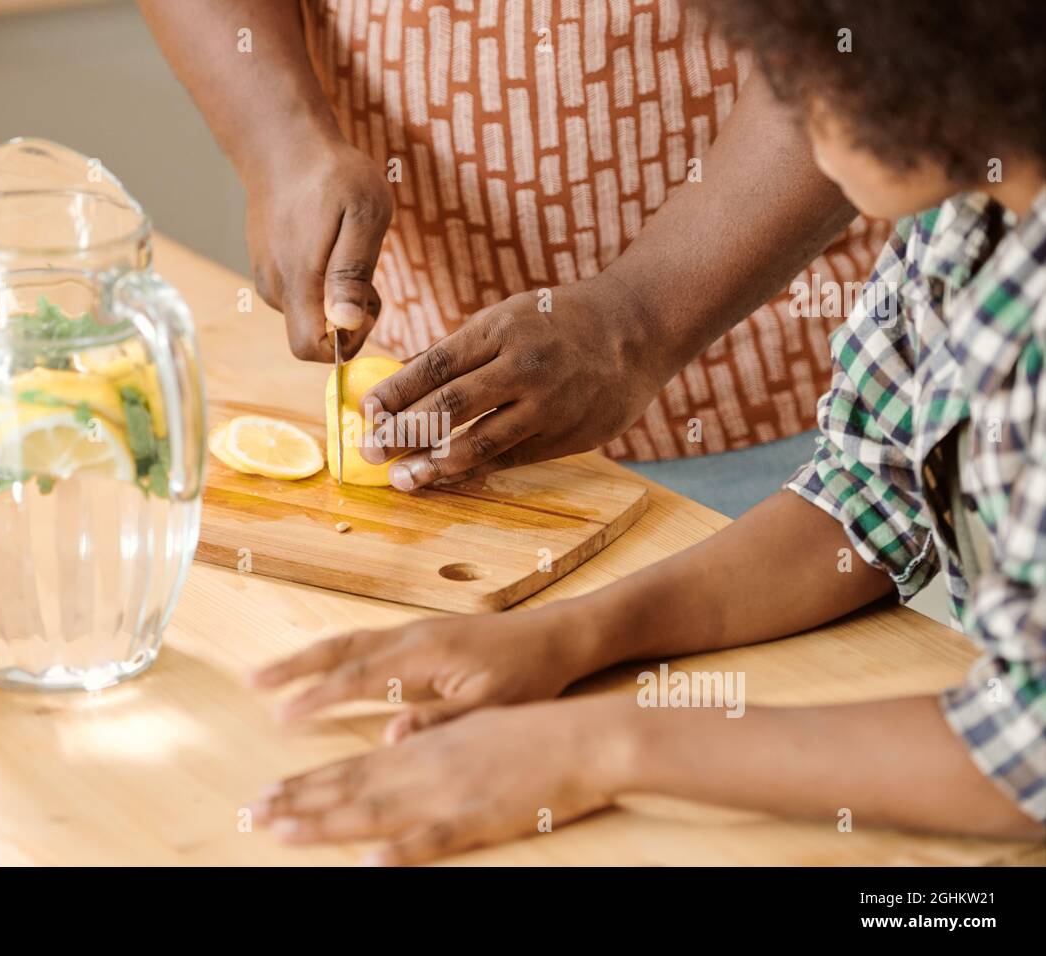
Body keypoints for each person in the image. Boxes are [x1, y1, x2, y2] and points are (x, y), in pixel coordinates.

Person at [245, 0, 1046, 864]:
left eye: (791, 69)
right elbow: (866, 493)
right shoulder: (962, 220)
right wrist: (567, 639)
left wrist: (599, 748)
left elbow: (1029, 749)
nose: (768, 111)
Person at [140, 0, 889, 513]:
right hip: (419, 397)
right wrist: (278, 145)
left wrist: (641, 316)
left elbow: (887, 32)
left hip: (762, 410)